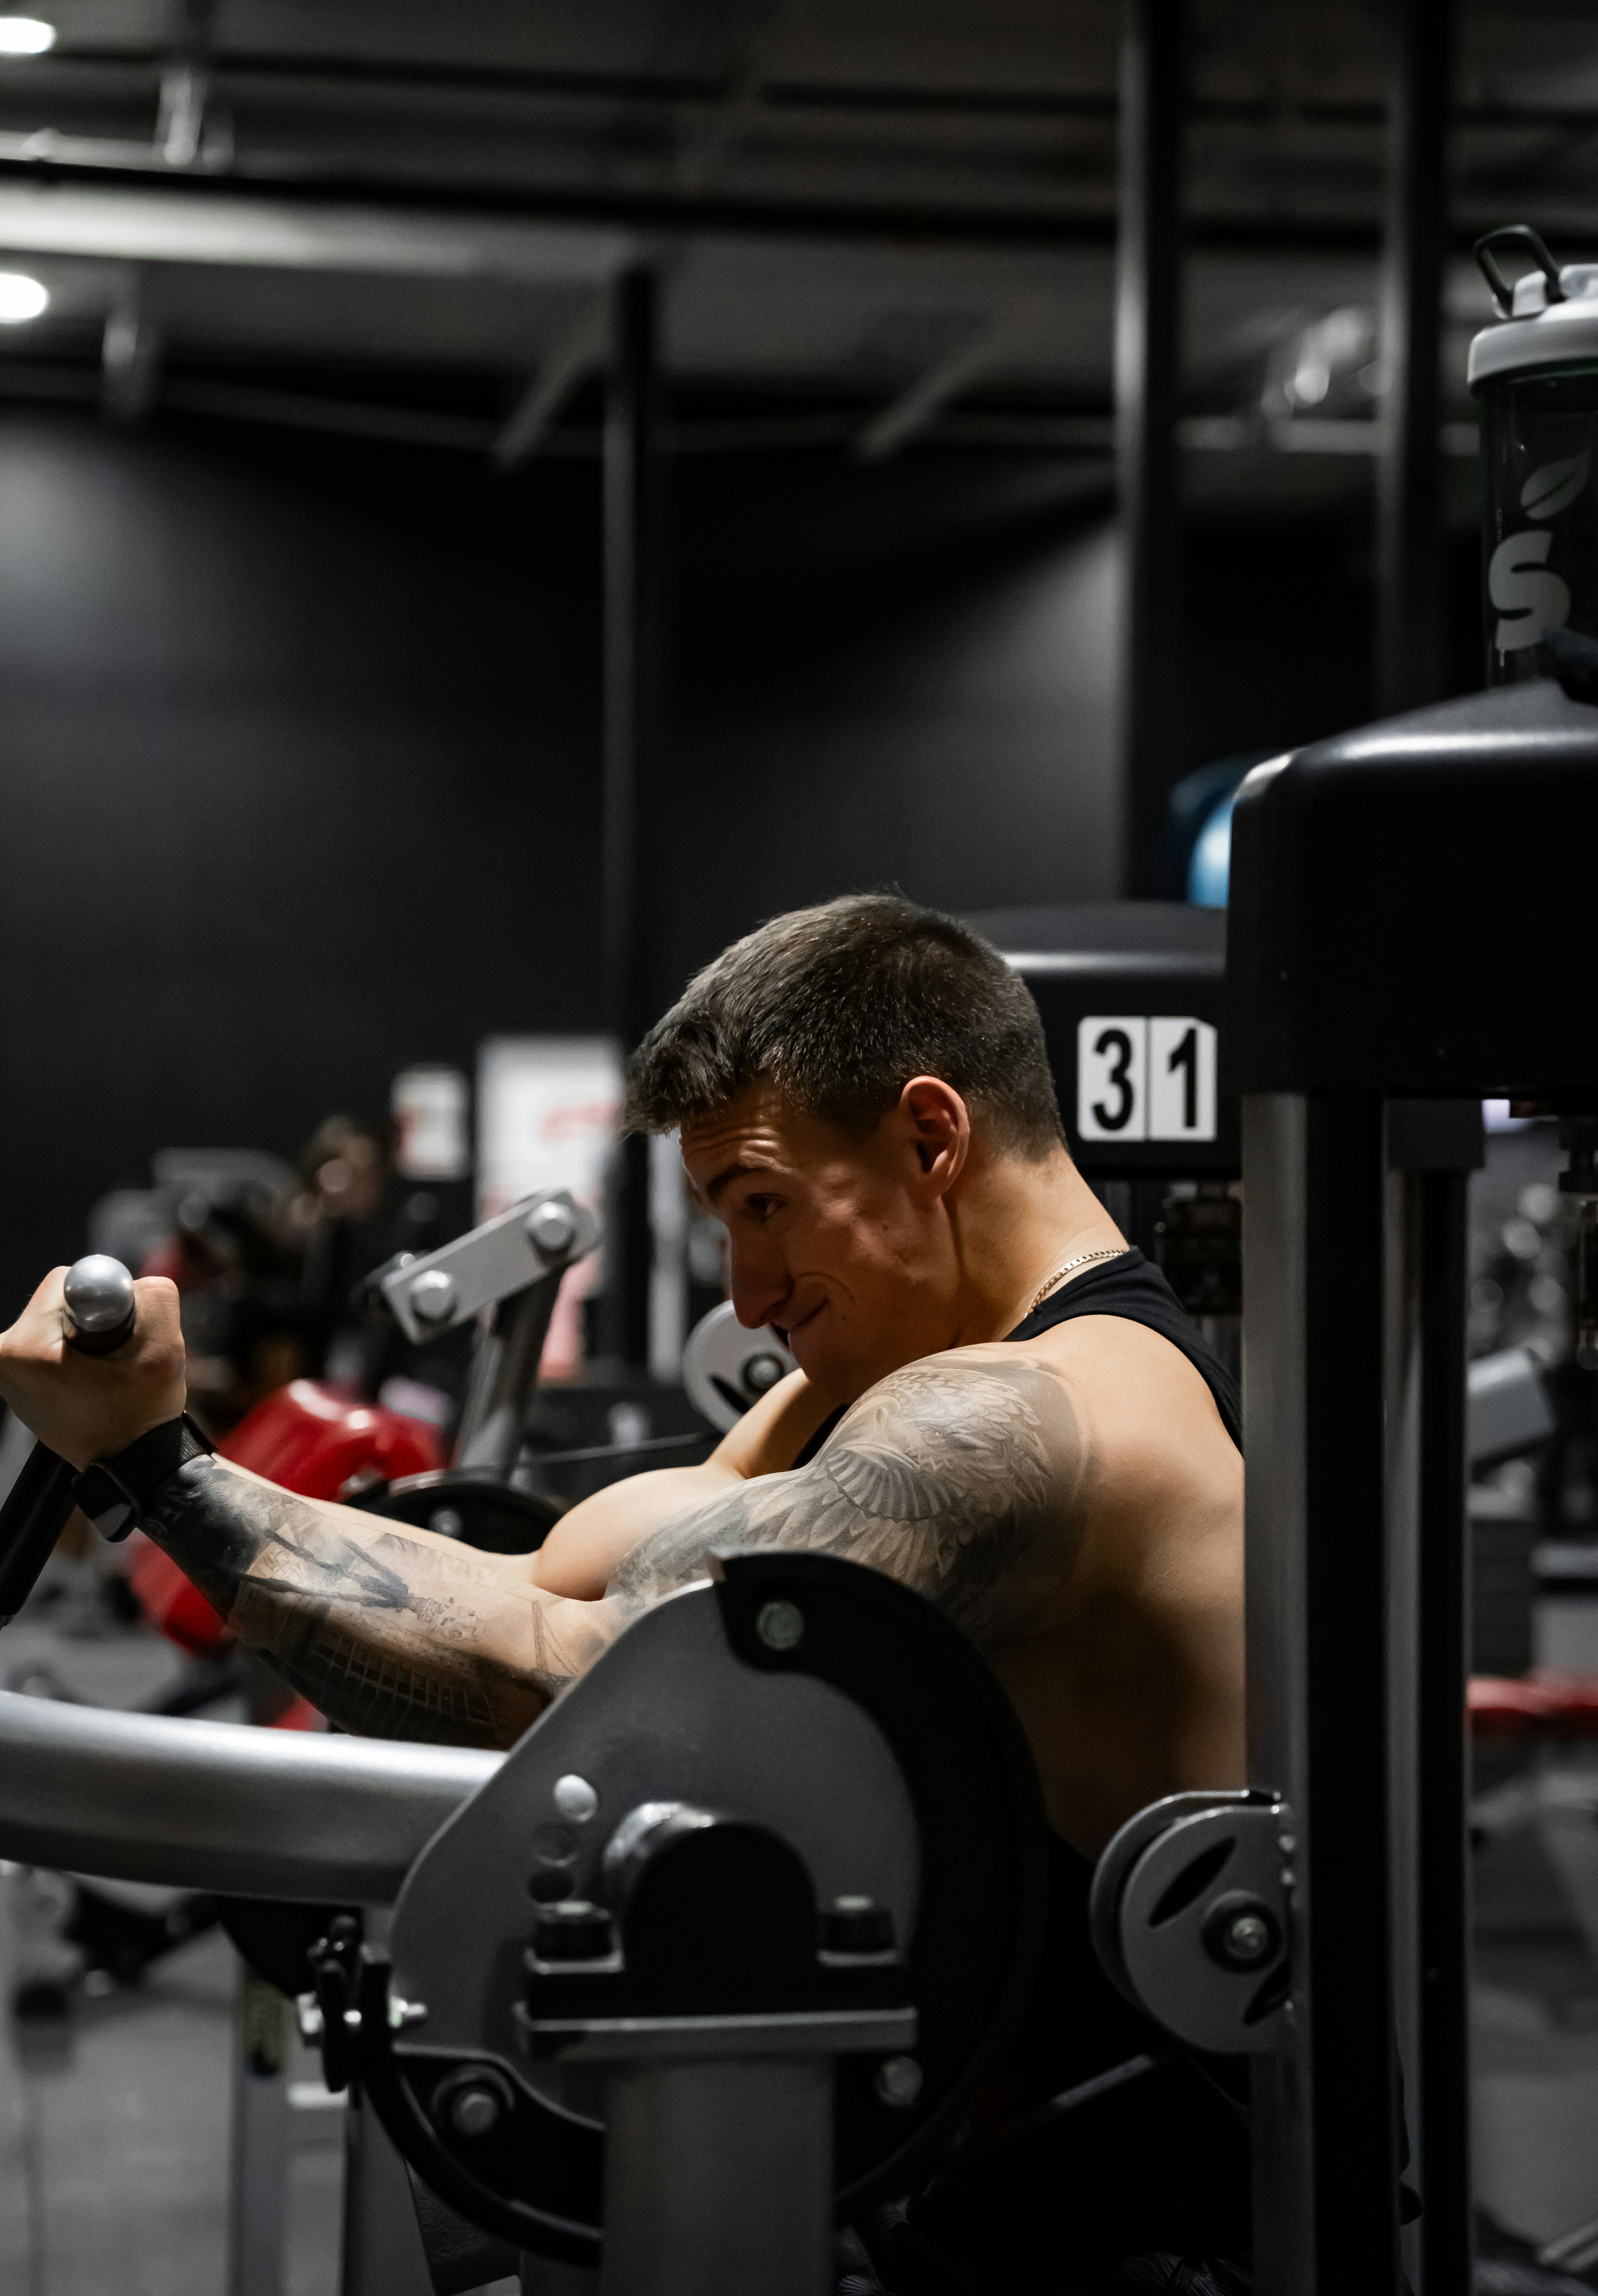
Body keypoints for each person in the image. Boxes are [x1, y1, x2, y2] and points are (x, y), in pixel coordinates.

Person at [0, 895, 1248, 2289]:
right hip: (955, 2189)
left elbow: (572, 1673)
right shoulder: (905, 1377)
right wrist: (168, 1466)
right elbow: (543, 1579)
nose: (751, 1288)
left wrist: (162, 1473)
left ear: (931, 1135)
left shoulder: (1040, 1423)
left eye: (764, 1206)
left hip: (1112, 2245)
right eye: (724, 1219)